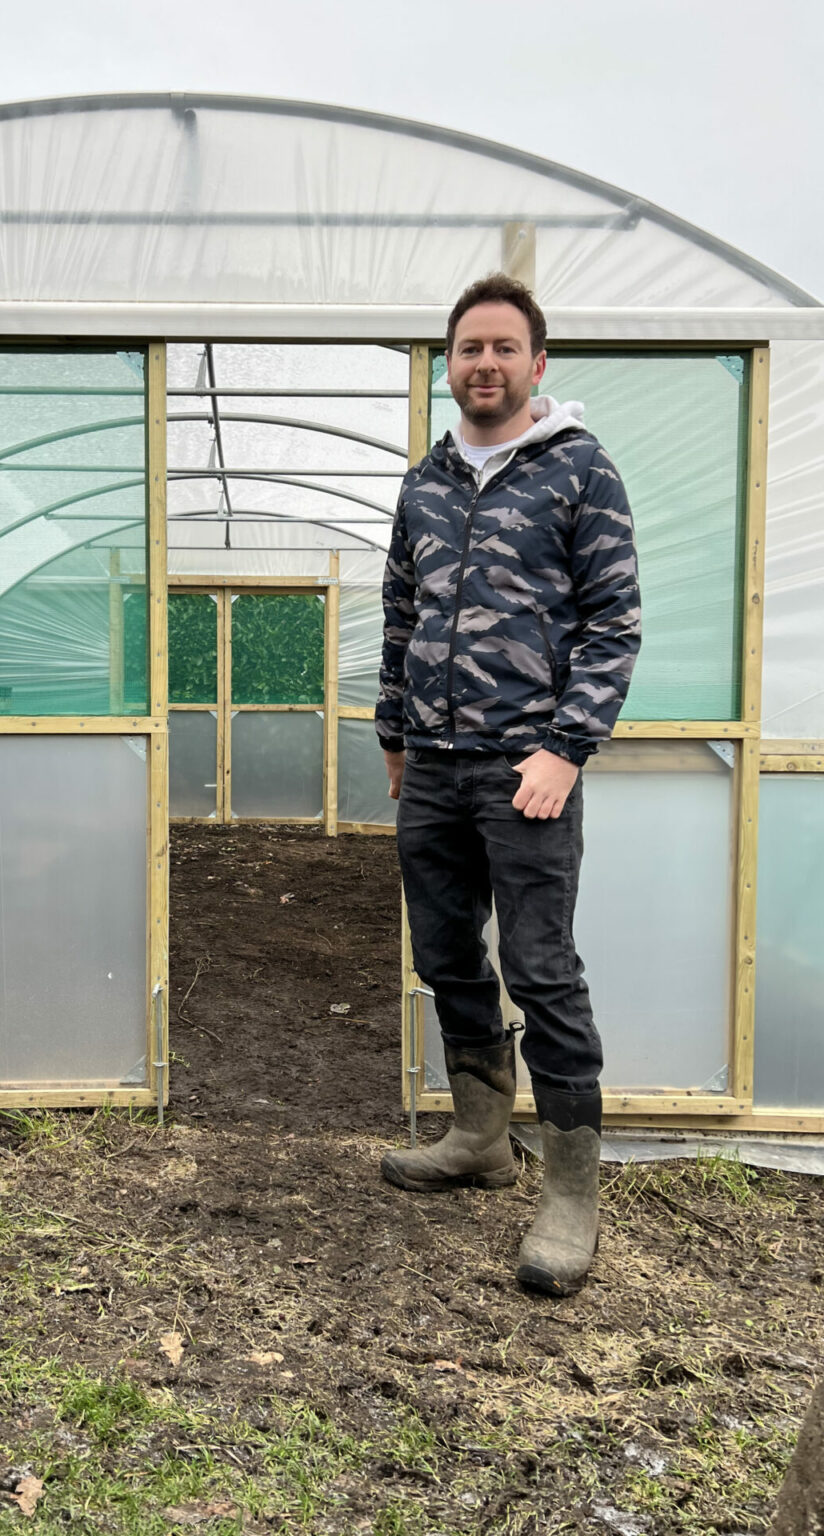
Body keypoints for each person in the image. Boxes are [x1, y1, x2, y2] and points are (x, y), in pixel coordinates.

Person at [376, 273, 641, 1296]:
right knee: (446, 954)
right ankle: (481, 1135)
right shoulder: (425, 483)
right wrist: (394, 732)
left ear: (537, 364)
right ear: (451, 367)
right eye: (467, 349)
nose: (484, 363)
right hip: (433, 770)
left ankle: (572, 1195)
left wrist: (567, 748)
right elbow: (401, 613)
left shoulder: (581, 472)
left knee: (541, 967)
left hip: (528, 770)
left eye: (503, 347)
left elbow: (614, 623)